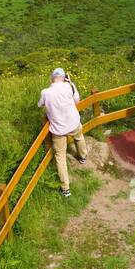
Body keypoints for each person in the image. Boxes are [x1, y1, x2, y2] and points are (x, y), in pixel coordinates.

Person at [38, 68, 87, 198]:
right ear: (64, 76)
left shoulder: (46, 92)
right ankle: (82, 157)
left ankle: (66, 189)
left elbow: (40, 104)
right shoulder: (69, 86)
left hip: (58, 129)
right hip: (73, 123)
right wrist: (70, 83)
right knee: (79, 137)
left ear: (51, 78)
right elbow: (77, 100)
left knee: (60, 157)